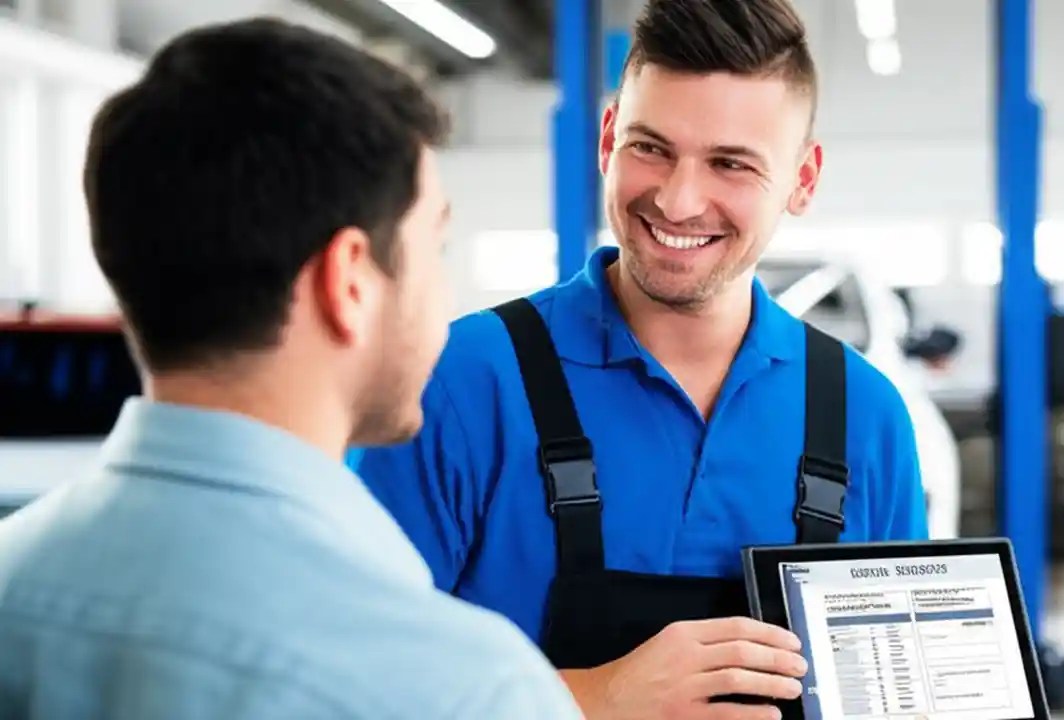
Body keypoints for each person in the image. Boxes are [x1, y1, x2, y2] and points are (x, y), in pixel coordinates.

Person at [355, 0, 928, 717]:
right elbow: (352, 682)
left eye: (731, 164)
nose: (679, 200)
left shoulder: (864, 417)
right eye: (650, 147)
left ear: (803, 180)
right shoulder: (463, 383)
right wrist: (596, 700)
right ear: (606, 140)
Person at [0, 18, 581, 720]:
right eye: (438, 247)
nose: (444, 290)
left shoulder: (16, 585)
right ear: (351, 281)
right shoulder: (462, 686)